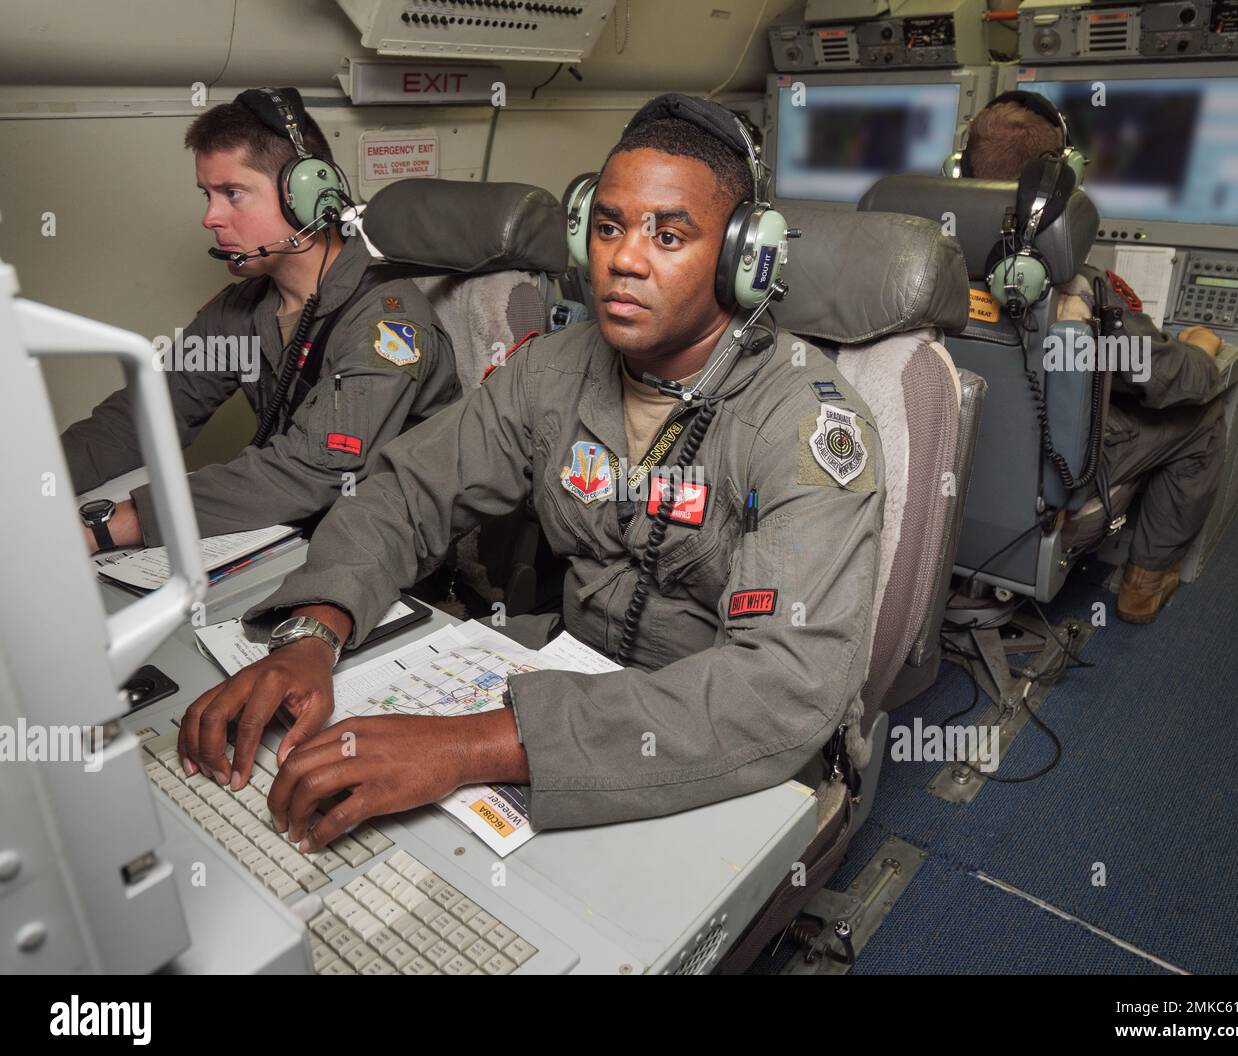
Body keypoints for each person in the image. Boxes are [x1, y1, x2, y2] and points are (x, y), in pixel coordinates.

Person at [174, 93, 885, 847]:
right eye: (607, 226)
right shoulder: (551, 371)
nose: (626, 258)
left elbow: (781, 688)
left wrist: (472, 746)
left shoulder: (806, 425)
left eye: (670, 235)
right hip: (564, 688)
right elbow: (410, 489)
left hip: (722, 756)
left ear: (746, 258)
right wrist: (317, 627)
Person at [64, 87, 459, 553]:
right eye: (207, 195)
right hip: (293, 534)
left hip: (389, 554)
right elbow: (143, 416)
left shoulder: (386, 325)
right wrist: (35, 481)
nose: (211, 217)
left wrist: (106, 526)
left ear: (308, 197)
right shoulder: (243, 309)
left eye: (233, 193)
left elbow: (314, 469)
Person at [964, 94, 1226, 624]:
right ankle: (1143, 583)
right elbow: (1173, 380)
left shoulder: (921, 260)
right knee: (1203, 413)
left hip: (946, 479)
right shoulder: (1079, 296)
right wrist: (1202, 349)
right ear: (1061, 184)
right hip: (1047, 496)